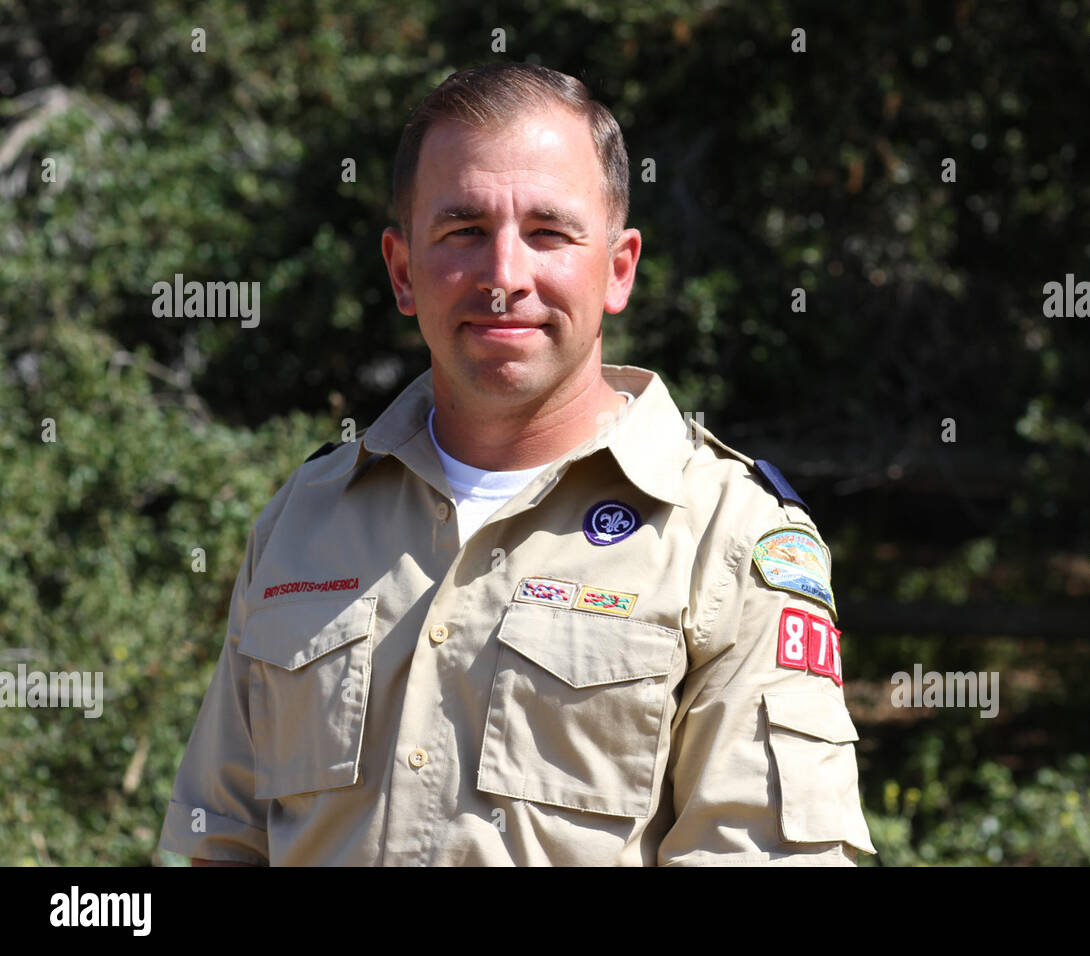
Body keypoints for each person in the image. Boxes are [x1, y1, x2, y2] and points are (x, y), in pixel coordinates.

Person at [158, 61, 876, 866]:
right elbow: (218, 839)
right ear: (403, 271)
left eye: (548, 233)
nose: (504, 277)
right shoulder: (307, 518)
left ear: (618, 269)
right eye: (464, 231)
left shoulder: (729, 538)